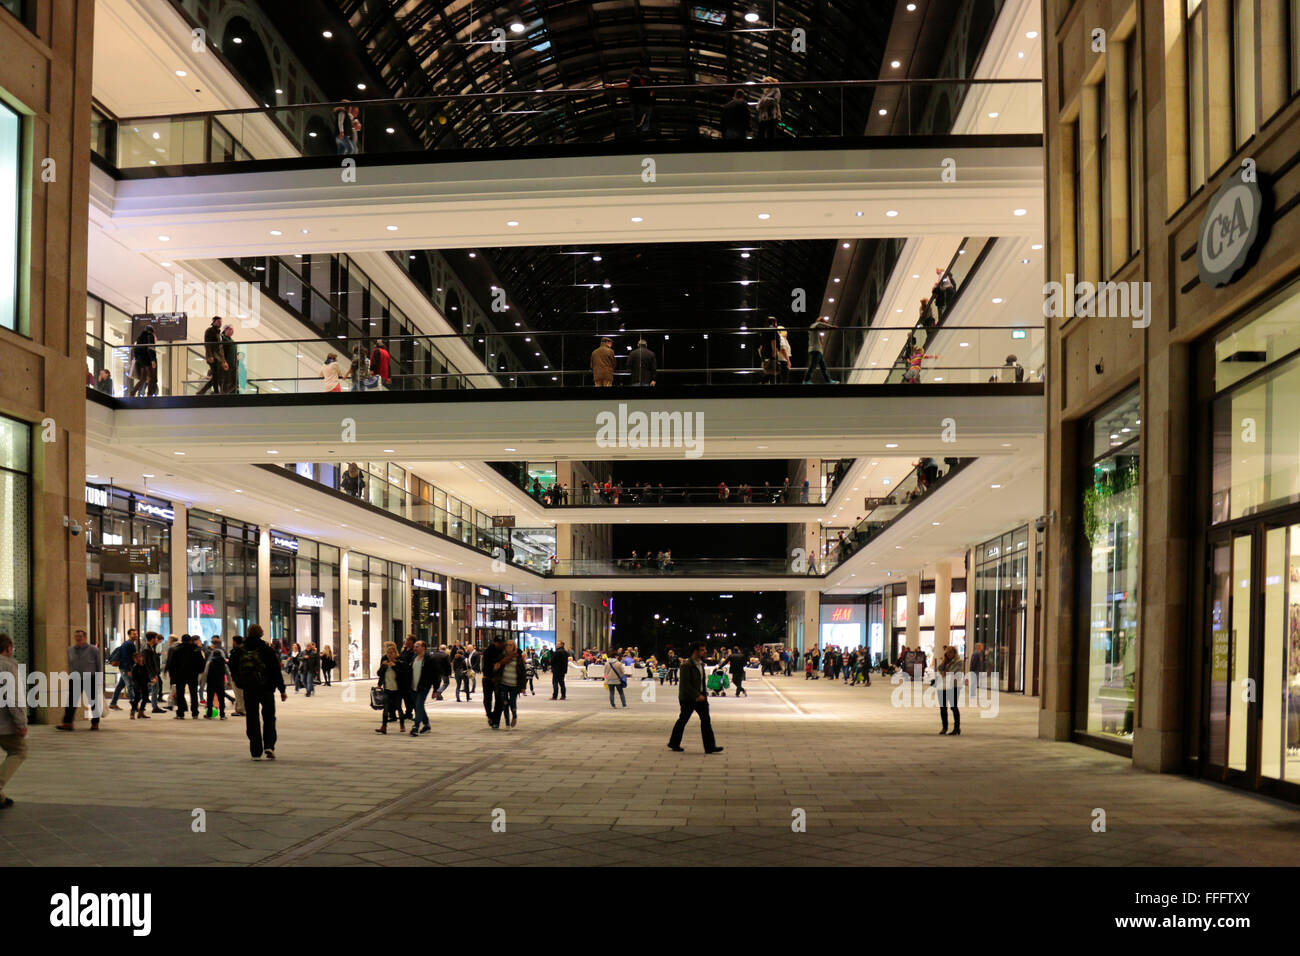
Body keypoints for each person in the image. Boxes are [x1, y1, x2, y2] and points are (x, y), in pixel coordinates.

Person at [232, 624, 285, 760]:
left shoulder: (240, 650)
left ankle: (255, 751)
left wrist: (240, 683)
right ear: (261, 634)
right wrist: (282, 689)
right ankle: (269, 745)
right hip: (266, 688)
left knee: (252, 718)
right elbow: (275, 670)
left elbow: (233, 667)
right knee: (269, 717)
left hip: (249, 689)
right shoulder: (266, 649)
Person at [667, 641, 721, 754]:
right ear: (695, 651)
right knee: (683, 720)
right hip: (688, 698)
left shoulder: (701, 664)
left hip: (701, 696)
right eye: (702, 650)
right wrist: (696, 696)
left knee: (706, 720)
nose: (705, 651)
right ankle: (674, 743)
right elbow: (685, 684)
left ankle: (710, 746)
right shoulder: (686, 665)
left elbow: (701, 682)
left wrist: (703, 695)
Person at [0, 634, 28, 809]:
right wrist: (21, 723)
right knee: (19, 751)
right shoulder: (8, 667)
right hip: (5, 723)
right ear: (8, 648)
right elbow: (13, 698)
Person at [58, 629, 103, 730]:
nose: (78, 638)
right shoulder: (70, 650)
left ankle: (95, 723)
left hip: (90, 678)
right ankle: (68, 723)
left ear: (85, 638)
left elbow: (98, 665)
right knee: (71, 701)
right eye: (76, 636)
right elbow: (70, 664)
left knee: (93, 702)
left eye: (80, 636)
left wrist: (99, 679)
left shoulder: (93, 650)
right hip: (75, 678)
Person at [604, 66, 654, 133]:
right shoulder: (648, 79)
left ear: (633, 73)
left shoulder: (633, 77)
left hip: (637, 103)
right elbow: (652, 92)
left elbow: (626, 85)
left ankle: (639, 130)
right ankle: (644, 131)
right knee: (646, 121)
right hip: (647, 103)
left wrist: (611, 85)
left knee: (637, 121)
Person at [375, 641, 410, 734]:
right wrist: (383, 666)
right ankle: (384, 726)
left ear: (395, 653)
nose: (390, 655)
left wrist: (394, 666)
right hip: (387, 689)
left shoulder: (400, 663)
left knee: (398, 707)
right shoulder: (385, 663)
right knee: (386, 708)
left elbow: (403, 675)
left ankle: (402, 725)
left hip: (397, 689)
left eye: (392, 653)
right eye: (388, 653)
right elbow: (379, 674)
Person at [492, 640, 525, 728]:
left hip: (514, 684)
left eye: (511, 645)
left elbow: (522, 672)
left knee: (513, 702)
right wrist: (496, 668)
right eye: (507, 645)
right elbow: (496, 668)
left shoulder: (518, 657)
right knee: (505, 703)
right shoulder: (502, 656)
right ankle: (507, 723)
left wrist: (523, 687)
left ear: (514, 647)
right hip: (503, 683)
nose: (509, 646)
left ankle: (514, 716)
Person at [172, 634, 203, 718]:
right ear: (190, 640)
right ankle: (195, 713)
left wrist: (173, 676)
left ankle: (181, 713)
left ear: (182, 640)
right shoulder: (196, 649)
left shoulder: (177, 649)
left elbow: (173, 664)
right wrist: (199, 671)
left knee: (180, 694)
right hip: (192, 674)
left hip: (180, 675)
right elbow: (201, 662)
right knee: (193, 694)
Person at [107, 629, 138, 711]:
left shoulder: (130, 644)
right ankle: (134, 704)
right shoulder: (128, 644)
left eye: (136, 634)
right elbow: (125, 658)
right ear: (129, 635)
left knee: (120, 685)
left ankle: (113, 703)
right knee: (130, 685)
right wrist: (129, 670)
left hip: (125, 668)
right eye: (134, 634)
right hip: (126, 668)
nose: (136, 635)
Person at [936, 645, 964, 736]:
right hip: (943, 686)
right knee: (943, 707)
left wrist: (946, 672)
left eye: (950, 653)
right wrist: (945, 670)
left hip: (954, 686)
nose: (948, 655)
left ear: (954, 653)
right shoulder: (945, 662)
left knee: (953, 707)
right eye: (947, 653)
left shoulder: (959, 662)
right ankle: (944, 727)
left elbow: (954, 672)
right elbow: (939, 668)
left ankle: (956, 728)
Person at [410, 640, 436, 736]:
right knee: (418, 706)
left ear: (423, 647)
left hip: (423, 686)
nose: (415, 648)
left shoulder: (429, 659)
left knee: (419, 704)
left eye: (417, 646)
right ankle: (426, 725)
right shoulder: (414, 658)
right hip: (413, 686)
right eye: (415, 646)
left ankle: (416, 726)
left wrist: (436, 689)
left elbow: (435, 675)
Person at [481, 635, 506, 728]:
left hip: (499, 679)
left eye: (502, 642)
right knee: (487, 699)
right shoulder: (488, 651)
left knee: (500, 700)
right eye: (499, 643)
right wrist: (494, 670)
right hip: (488, 678)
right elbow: (486, 666)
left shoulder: (504, 650)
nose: (501, 644)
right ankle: (489, 715)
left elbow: (516, 652)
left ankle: (496, 721)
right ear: (495, 642)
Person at [196, 316, 225, 395]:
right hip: (213, 356)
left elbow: (220, 347)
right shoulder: (210, 331)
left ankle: (203, 391)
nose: (220, 323)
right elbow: (207, 344)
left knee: (217, 375)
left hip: (218, 357)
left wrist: (223, 360)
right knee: (216, 375)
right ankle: (215, 391)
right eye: (218, 321)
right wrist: (210, 356)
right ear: (214, 322)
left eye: (221, 322)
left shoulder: (219, 333)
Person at [804, 317, 838, 383]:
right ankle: (806, 380)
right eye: (824, 323)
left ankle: (829, 381)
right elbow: (820, 324)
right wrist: (831, 327)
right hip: (816, 350)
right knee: (813, 366)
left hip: (818, 350)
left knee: (823, 367)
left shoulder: (815, 330)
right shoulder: (814, 325)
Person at [128, 325, 158, 397]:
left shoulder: (140, 337)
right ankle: (149, 395)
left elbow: (135, 349)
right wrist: (153, 360)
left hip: (141, 360)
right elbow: (150, 348)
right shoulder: (150, 336)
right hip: (147, 359)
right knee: (151, 378)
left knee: (143, 378)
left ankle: (133, 392)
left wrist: (138, 359)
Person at [204, 639, 229, 719]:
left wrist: (203, 683)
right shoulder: (223, 663)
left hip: (211, 683)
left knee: (210, 699)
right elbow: (228, 673)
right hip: (220, 683)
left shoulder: (209, 663)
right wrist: (229, 681)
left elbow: (205, 673)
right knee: (221, 699)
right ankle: (222, 714)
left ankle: (209, 714)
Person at [128, 652, 152, 719]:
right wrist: (137, 686)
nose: (139, 658)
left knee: (145, 698)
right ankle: (132, 712)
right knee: (137, 699)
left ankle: (141, 712)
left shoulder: (144, 666)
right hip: (138, 685)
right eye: (137, 657)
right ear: (134, 659)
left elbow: (146, 676)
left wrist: (150, 681)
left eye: (140, 657)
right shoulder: (135, 667)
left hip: (144, 684)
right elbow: (134, 678)